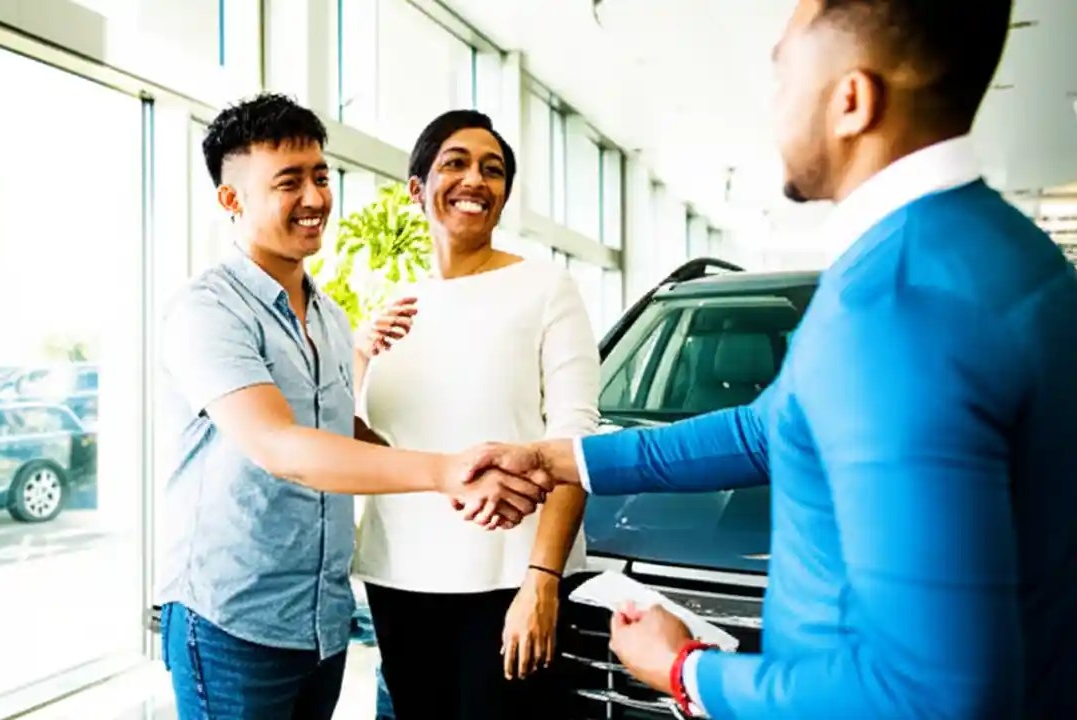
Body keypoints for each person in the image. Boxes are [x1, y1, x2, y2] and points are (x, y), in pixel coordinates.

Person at [472, 0, 1077, 717]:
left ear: (852, 101)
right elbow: (765, 428)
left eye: (783, 72)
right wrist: (561, 460)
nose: (772, 103)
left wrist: (686, 673)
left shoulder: (899, 304)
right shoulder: (1000, 252)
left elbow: (930, 696)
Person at [156, 94, 556, 720]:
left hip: (320, 622)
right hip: (231, 621)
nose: (315, 198)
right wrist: (443, 468)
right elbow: (281, 447)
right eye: (289, 182)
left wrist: (473, 478)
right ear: (232, 200)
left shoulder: (331, 317)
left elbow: (348, 436)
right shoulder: (207, 312)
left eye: (320, 176)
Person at [351, 110, 599, 720]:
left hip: (506, 581)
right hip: (398, 575)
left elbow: (575, 436)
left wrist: (542, 580)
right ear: (417, 189)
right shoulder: (397, 306)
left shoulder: (545, 287)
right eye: (454, 163)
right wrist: (357, 351)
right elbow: (369, 442)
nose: (475, 180)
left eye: (493, 170)